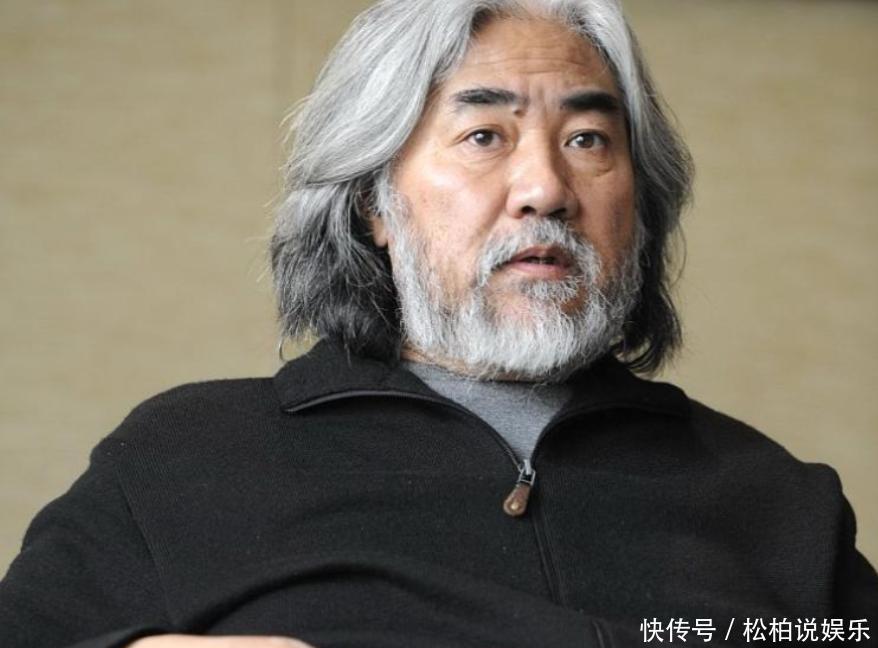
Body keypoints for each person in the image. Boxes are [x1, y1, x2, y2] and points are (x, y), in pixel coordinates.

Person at [1, 0, 875, 646]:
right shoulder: (182, 459)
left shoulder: (778, 500)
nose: (546, 189)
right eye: (484, 135)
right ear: (374, 203)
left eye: (587, 140)